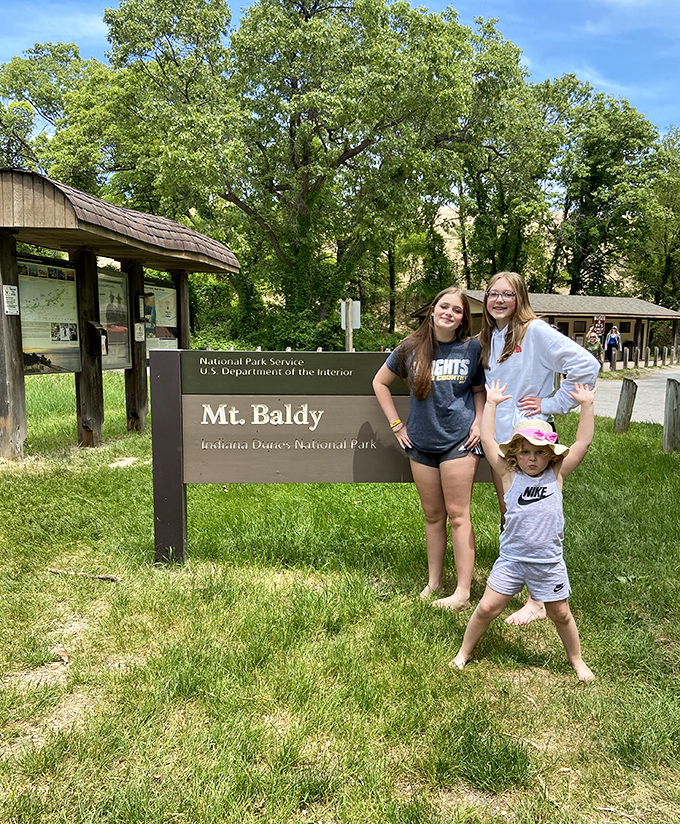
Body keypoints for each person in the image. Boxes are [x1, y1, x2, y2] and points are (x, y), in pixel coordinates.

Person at [451, 380, 596, 682]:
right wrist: (490, 404)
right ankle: (464, 652)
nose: (532, 459)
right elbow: (489, 442)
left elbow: (582, 443)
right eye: (526, 452)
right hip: (512, 559)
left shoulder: (556, 474)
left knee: (561, 615)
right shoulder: (508, 474)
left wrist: (587, 405)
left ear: (551, 455)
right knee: (487, 607)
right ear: (515, 454)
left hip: (548, 562)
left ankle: (577, 660)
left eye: (540, 453)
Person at [479, 271, 600, 625]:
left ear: (520, 299)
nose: (499, 300)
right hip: (503, 442)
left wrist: (550, 404)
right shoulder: (492, 337)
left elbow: (587, 365)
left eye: (507, 294)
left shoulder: (536, 332)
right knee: (512, 512)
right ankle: (516, 580)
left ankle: (537, 599)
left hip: (531, 439)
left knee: (536, 512)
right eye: (492, 294)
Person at [373, 287, 485, 610]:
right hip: (420, 444)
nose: (449, 313)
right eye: (444, 307)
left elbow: (479, 390)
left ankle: (463, 592)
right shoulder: (410, 347)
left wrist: (478, 423)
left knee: (458, 515)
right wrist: (397, 425)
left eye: (457, 310)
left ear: (463, 318)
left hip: (459, 443)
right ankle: (434, 583)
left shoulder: (470, 348)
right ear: (433, 310)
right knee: (432, 515)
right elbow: (379, 382)